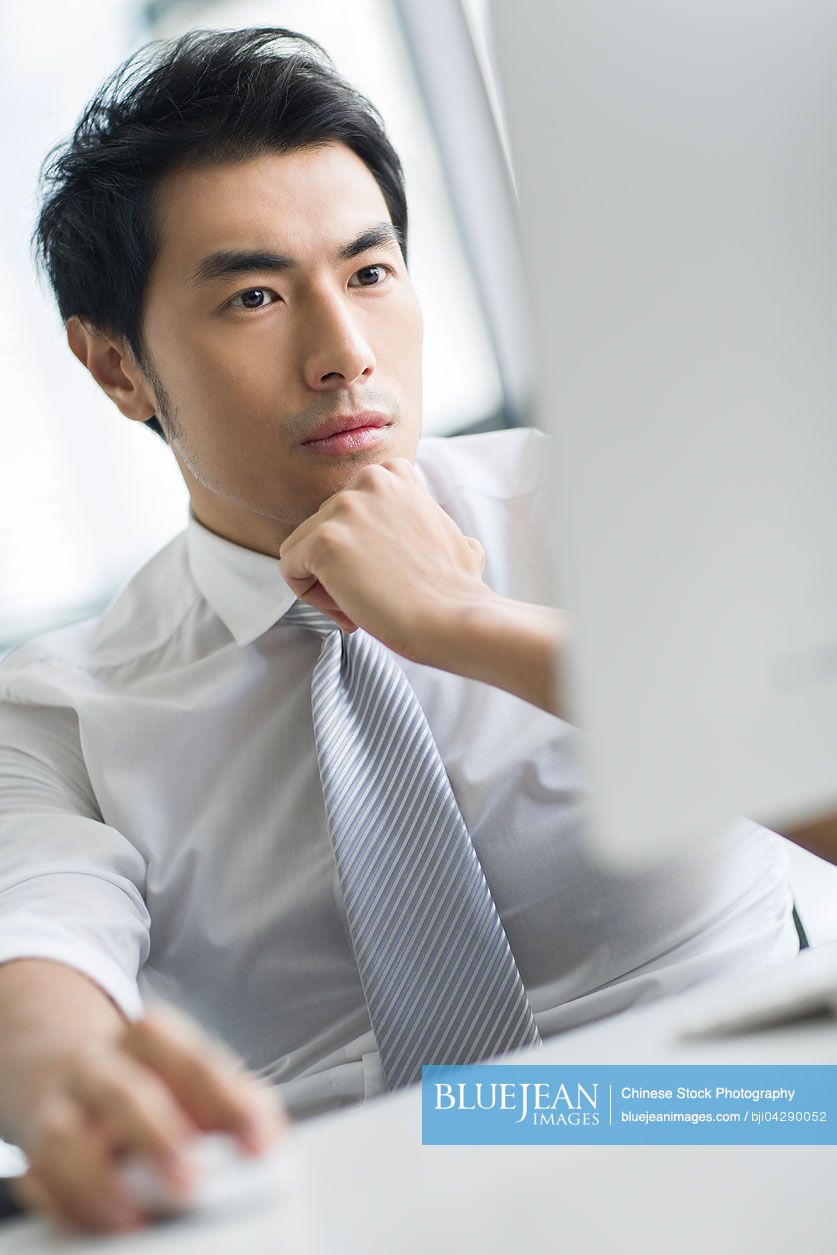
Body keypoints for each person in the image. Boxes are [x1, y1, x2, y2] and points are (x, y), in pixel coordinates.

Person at [0, 26, 801, 1234]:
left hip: (746, 1129)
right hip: (356, 1209)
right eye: (257, 297)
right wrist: (73, 1080)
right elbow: (31, 944)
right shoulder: (64, 708)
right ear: (117, 367)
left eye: (370, 273)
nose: (344, 355)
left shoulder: (618, 503)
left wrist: (466, 622)